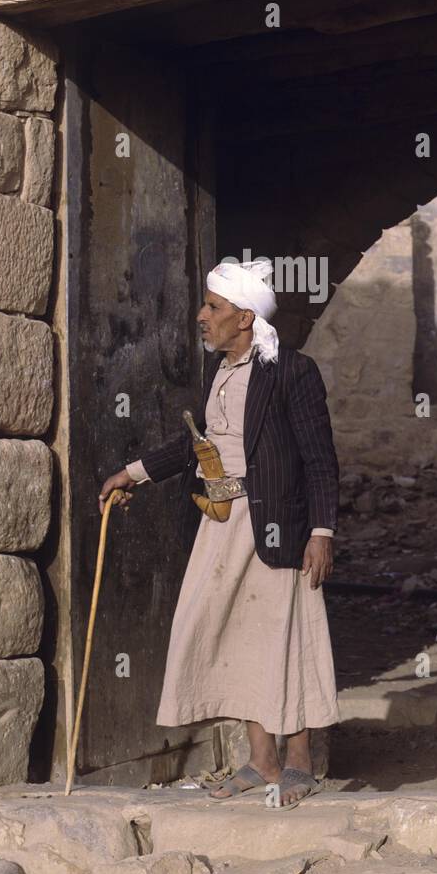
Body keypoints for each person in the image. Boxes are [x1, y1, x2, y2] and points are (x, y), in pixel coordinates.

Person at [98, 258, 340, 808]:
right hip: (224, 525)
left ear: (246, 318)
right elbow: (199, 446)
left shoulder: (292, 372)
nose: (201, 317)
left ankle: (299, 761)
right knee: (229, 631)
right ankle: (262, 761)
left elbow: (320, 460)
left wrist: (321, 532)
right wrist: (133, 473)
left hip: (276, 525)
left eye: (213, 307)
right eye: (206, 306)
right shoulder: (221, 375)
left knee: (283, 633)